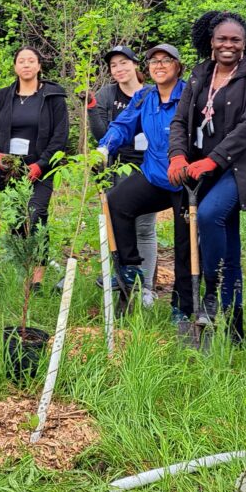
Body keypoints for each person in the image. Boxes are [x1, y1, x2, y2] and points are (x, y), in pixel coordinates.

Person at [167, 11, 246, 343]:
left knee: (210, 215)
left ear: (245, 44)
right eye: (222, 39)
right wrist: (177, 155)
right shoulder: (200, 74)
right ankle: (235, 331)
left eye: (235, 40)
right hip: (202, 168)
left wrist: (214, 160)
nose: (228, 45)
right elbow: (179, 120)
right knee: (228, 246)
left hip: (240, 168)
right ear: (211, 42)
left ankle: (211, 293)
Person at [95, 45, 189, 323]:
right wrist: (105, 148)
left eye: (166, 60)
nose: (159, 65)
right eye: (154, 61)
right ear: (147, 67)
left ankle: (182, 307)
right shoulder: (145, 96)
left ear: (177, 66)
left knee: (185, 243)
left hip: (185, 180)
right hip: (155, 175)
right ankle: (131, 268)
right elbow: (123, 126)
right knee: (116, 202)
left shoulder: (190, 95)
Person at [0, 47, 71, 290]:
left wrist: (41, 165)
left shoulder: (53, 97)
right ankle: (23, 273)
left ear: (40, 66)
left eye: (32, 61)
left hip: (40, 169)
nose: (27, 65)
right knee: (17, 222)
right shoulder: (1, 97)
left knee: (36, 217)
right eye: (22, 61)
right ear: (15, 66)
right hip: (8, 170)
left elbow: (60, 137)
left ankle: (37, 281)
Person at [88, 45, 159, 305]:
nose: (119, 69)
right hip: (116, 167)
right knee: (117, 226)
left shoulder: (152, 93)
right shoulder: (107, 94)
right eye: (113, 65)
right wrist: (92, 107)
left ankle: (147, 288)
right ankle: (121, 280)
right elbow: (101, 135)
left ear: (135, 64)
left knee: (144, 228)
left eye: (123, 63)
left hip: (148, 167)